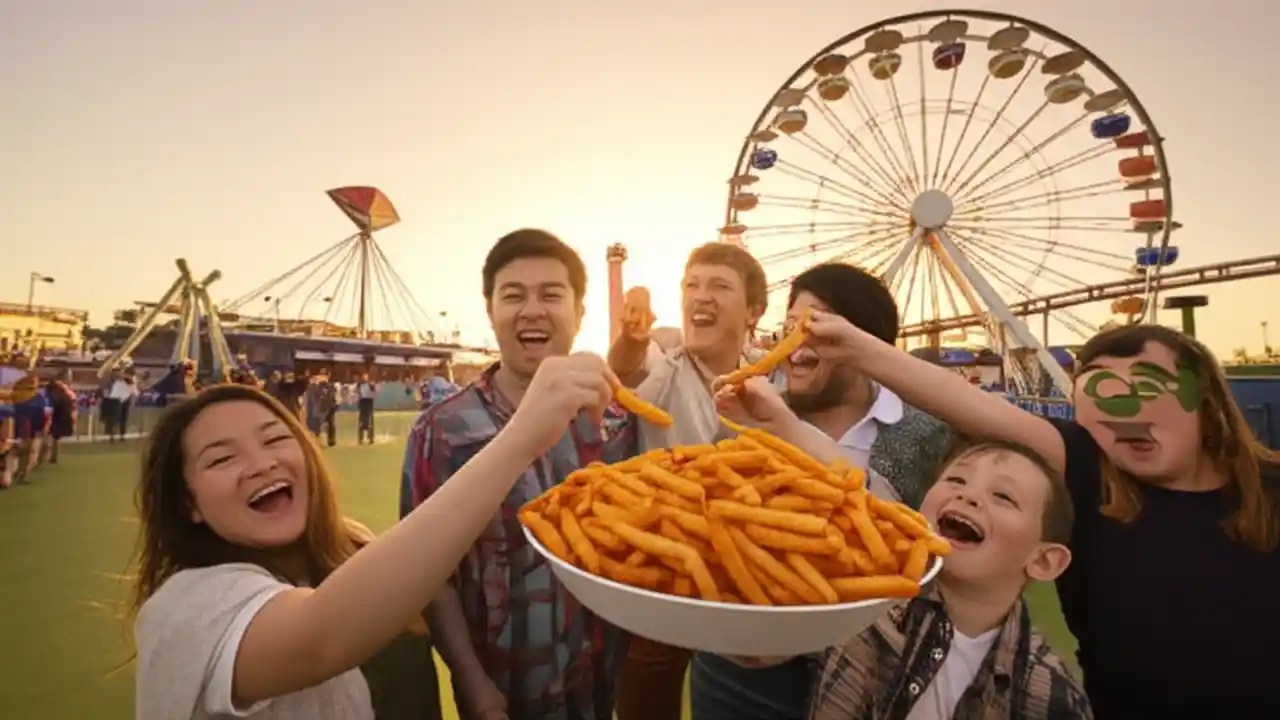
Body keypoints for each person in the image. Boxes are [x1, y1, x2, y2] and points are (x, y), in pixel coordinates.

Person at [797, 314, 1280, 717]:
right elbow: (964, 402)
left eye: (1147, 388)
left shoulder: (1270, 489)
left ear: (1208, 401)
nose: (1123, 414)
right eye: (1101, 396)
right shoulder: (1090, 474)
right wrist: (855, 347)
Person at [131, 348, 622, 719]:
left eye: (276, 439)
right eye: (221, 458)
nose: (261, 464)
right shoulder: (185, 608)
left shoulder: (351, 545)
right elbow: (322, 638)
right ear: (188, 503)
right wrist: (522, 435)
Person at [690, 263, 954, 720]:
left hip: (875, 677)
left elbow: (934, 559)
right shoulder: (743, 421)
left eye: (816, 324)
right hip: (738, 673)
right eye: (789, 326)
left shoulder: (928, 437)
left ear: (867, 344)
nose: (794, 342)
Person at [403, 229, 636, 720]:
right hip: (503, 696)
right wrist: (471, 684)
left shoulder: (616, 422)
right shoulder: (441, 432)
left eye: (552, 294)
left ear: (579, 312)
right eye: (514, 295)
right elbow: (429, 576)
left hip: (598, 686)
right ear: (490, 312)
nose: (532, 310)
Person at [606, 242, 768, 720]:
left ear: (754, 311)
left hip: (750, 575)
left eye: (719, 286)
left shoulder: (771, 380)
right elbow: (624, 370)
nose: (701, 297)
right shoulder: (666, 353)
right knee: (645, 697)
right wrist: (632, 334)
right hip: (661, 569)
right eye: (691, 286)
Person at [356, 373, 377, 444]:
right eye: (364, 377)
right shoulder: (359, 384)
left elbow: (374, 391)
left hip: (369, 402)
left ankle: (370, 438)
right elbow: (357, 392)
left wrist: (373, 388)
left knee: (370, 421)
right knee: (361, 421)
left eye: (366, 377)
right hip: (362, 402)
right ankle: (360, 439)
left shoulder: (371, 384)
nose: (365, 378)